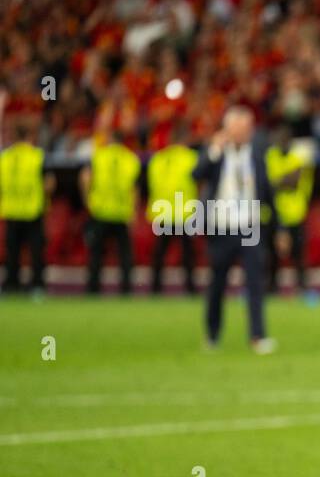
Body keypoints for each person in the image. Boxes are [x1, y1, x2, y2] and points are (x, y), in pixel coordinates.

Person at [193, 106, 277, 353]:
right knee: (217, 285)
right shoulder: (217, 154)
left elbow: (268, 191)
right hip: (222, 227)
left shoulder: (258, 154)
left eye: (246, 129)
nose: (243, 134)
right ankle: (212, 335)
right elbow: (196, 174)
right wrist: (214, 150)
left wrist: (278, 226)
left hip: (250, 227)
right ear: (227, 130)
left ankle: (257, 336)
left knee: (255, 284)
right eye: (238, 129)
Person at [81, 128, 140, 295]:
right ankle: (126, 289)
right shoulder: (131, 159)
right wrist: (133, 211)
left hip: (100, 210)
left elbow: (85, 178)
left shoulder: (99, 156)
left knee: (96, 254)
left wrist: (88, 200)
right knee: (125, 256)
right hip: (121, 212)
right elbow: (135, 189)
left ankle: (93, 289)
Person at [0, 119, 54, 293]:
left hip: (11, 210)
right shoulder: (37, 155)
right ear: (30, 136)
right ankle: (37, 286)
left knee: (12, 253)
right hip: (33, 210)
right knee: (36, 252)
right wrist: (46, 200)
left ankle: (10, 285)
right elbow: (48, 183)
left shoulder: (5, 157)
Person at [147, 122, 199, 295]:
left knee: (159, 254)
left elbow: (151, 185)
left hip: (163, 212)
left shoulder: (158, 159)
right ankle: (190, 289)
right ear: (185, 139)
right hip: (185, 212)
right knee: (188, 255)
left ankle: (155, 289)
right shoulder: (191, 157)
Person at [265, 122, 313, 293]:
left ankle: (302, 286)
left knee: (298, 253)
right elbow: (267, 184)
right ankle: (271, 287)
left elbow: (292, 182)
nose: (283, 142)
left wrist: (278, 182)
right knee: (271, 254)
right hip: (274, 213)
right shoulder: (271, 156)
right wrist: (282, 181)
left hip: (295, 213)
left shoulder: (299, 157)